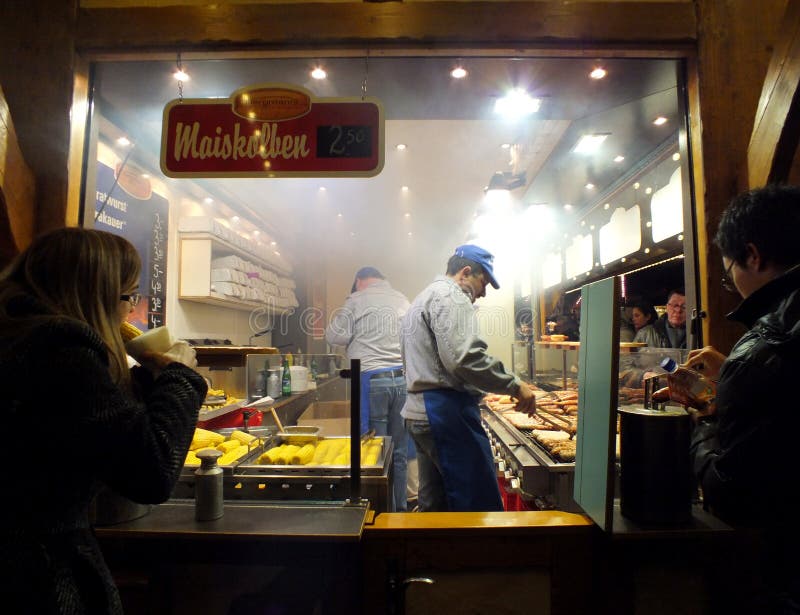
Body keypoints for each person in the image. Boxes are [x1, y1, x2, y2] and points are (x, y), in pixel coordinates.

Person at [0, 228, 207, 613]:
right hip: (35, 577)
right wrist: (181, 378)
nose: (130, 310)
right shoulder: (61, 348)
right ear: (95, 294)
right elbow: (150, 471)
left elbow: (94, 424)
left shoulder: (18, 335)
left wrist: (148, 378)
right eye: (129, 295)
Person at [684, 185, 800, 613]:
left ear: (753, 256)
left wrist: (704, 420)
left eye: (728, 267)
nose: (730, 280)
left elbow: (729, 493)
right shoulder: (761, 352)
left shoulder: (765, 348)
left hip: (783, 575)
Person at [400, 244, 536, 512]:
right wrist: (514, 385)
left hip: (420, 413)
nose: (483, 293)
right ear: (465, 272)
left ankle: (433, 554)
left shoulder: (423, 297)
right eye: (483, 282)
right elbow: (464, 358)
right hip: (443, 414)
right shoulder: (451, 296)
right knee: (478, 506)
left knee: (435, 505)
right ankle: (477, 556)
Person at [325, 266, 410, 512]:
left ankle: (381, 514)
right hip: (402, 381)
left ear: (359, 281)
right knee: (400, 452)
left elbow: (334, 336)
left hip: (373, 382)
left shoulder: (356, 299)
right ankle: (400, 512)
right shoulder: (402, 299)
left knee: (376, 453)